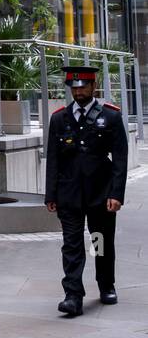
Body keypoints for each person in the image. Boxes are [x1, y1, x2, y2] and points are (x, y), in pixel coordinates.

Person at [45, 65, 127, 317]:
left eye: (83, 86)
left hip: (100, 194)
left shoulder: (110, 117)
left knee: (99, 242)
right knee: (71, 244)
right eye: (75, 87)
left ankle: (105, 284)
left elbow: (120, 158)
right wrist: (50, 194)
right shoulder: (59, 118)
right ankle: (72, 295)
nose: (78, 91)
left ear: (94, 86)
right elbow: (53, 159)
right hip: (69, 194)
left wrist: (116, 194)